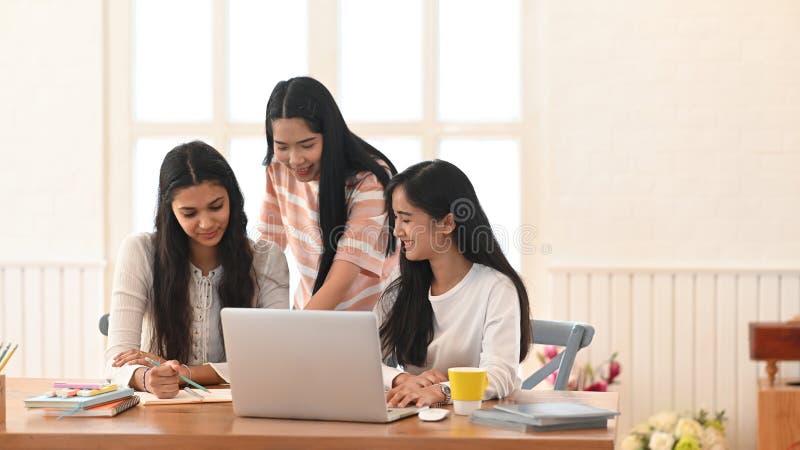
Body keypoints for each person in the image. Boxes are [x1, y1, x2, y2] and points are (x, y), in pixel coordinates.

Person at [105, 141, 289, 398]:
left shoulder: (267, 259)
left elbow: (275, 359)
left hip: (242, 407)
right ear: (170, 211)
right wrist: (147, 377)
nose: (206, 223)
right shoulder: (140, 250)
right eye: (189, 213)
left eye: (216, 207)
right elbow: (116, 361)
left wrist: (184, 373)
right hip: (163, 411)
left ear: (232, 200)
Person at [377, 160, 532, 408]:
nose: (397, 231)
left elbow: (500, 375)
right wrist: (402, 378)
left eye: (406, 220)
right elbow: (364, 359)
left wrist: (442, 391)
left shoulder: (496, 287)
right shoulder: (400, 288)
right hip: (417, 424)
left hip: (479, 424)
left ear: (448, 223)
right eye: (395, 218)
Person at [259, 76, 397, 311]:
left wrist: (297, 334)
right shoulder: (278, 168)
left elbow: (342, 278)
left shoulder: (369, 179)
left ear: (330, 134)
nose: (294, 159)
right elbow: (269, 246)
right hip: (308, 313)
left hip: (366, 324)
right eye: (282, 147)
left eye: (307, 145)